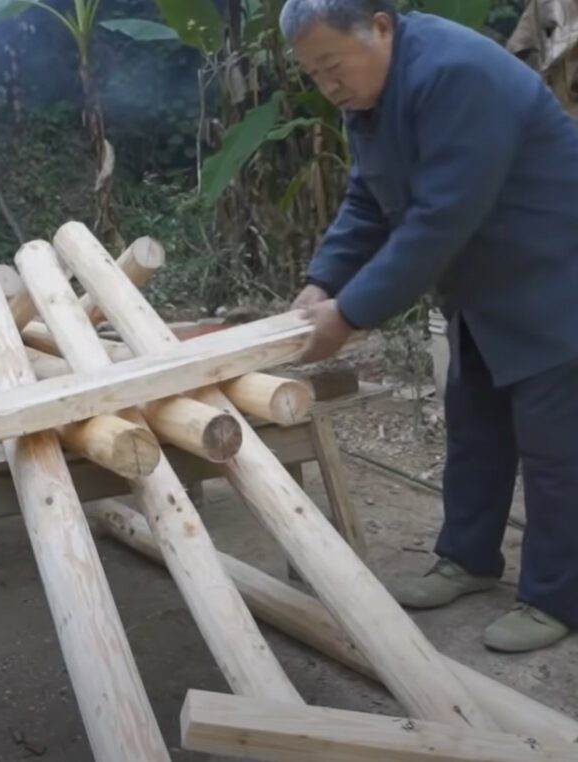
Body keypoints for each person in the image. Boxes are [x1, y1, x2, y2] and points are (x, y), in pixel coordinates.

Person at [279, 0, 578, 652]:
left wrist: (351, 314)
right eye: (314, 74)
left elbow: (439, 218)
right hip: (483, 287)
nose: (328, 86)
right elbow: (369, 197)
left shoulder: (457, 74)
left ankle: (557, 597)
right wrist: (324, 281)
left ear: (380, 26)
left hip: (555, 279)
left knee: (557, 453)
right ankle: (467, 560)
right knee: (475, 427)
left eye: (333, 66)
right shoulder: (372, 97)